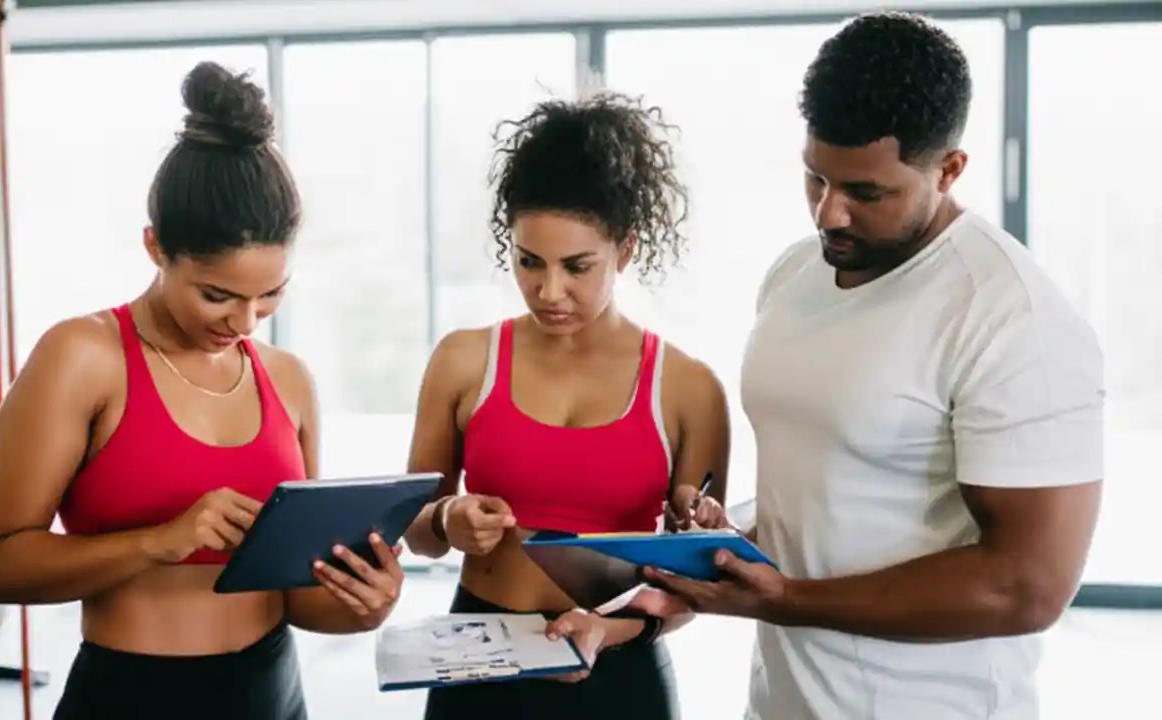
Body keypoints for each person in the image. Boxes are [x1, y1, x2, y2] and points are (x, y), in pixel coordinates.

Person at [635, 11, 1105, 720]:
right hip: (782, 702)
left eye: (866, 192)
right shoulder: (796, 273)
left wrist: (789, 601)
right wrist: (729, 543)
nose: (829, 214)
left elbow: (1027, 586)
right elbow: (828, 492)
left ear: (948, 169)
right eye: (815, 178)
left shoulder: (1013, 317)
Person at [0, 62, 404, 720]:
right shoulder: (83, 357)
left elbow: (299, 597)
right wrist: (158, 541)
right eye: (217, 294)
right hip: (132, 696)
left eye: (270, 295)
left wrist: (365, 603)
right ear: (155, 247)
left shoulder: (288, 379)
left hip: (273, 690)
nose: (244, 321)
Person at [401, 92, 731, 720]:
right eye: (529, 262)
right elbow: (419, 533)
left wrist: (611, 627)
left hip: (619, 668)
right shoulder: (464, 360)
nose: (549, 291)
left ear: (626, 250)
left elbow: (693, 588)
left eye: (578, 266)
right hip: (477, 664)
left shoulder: (688, 388)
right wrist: (447, 519)